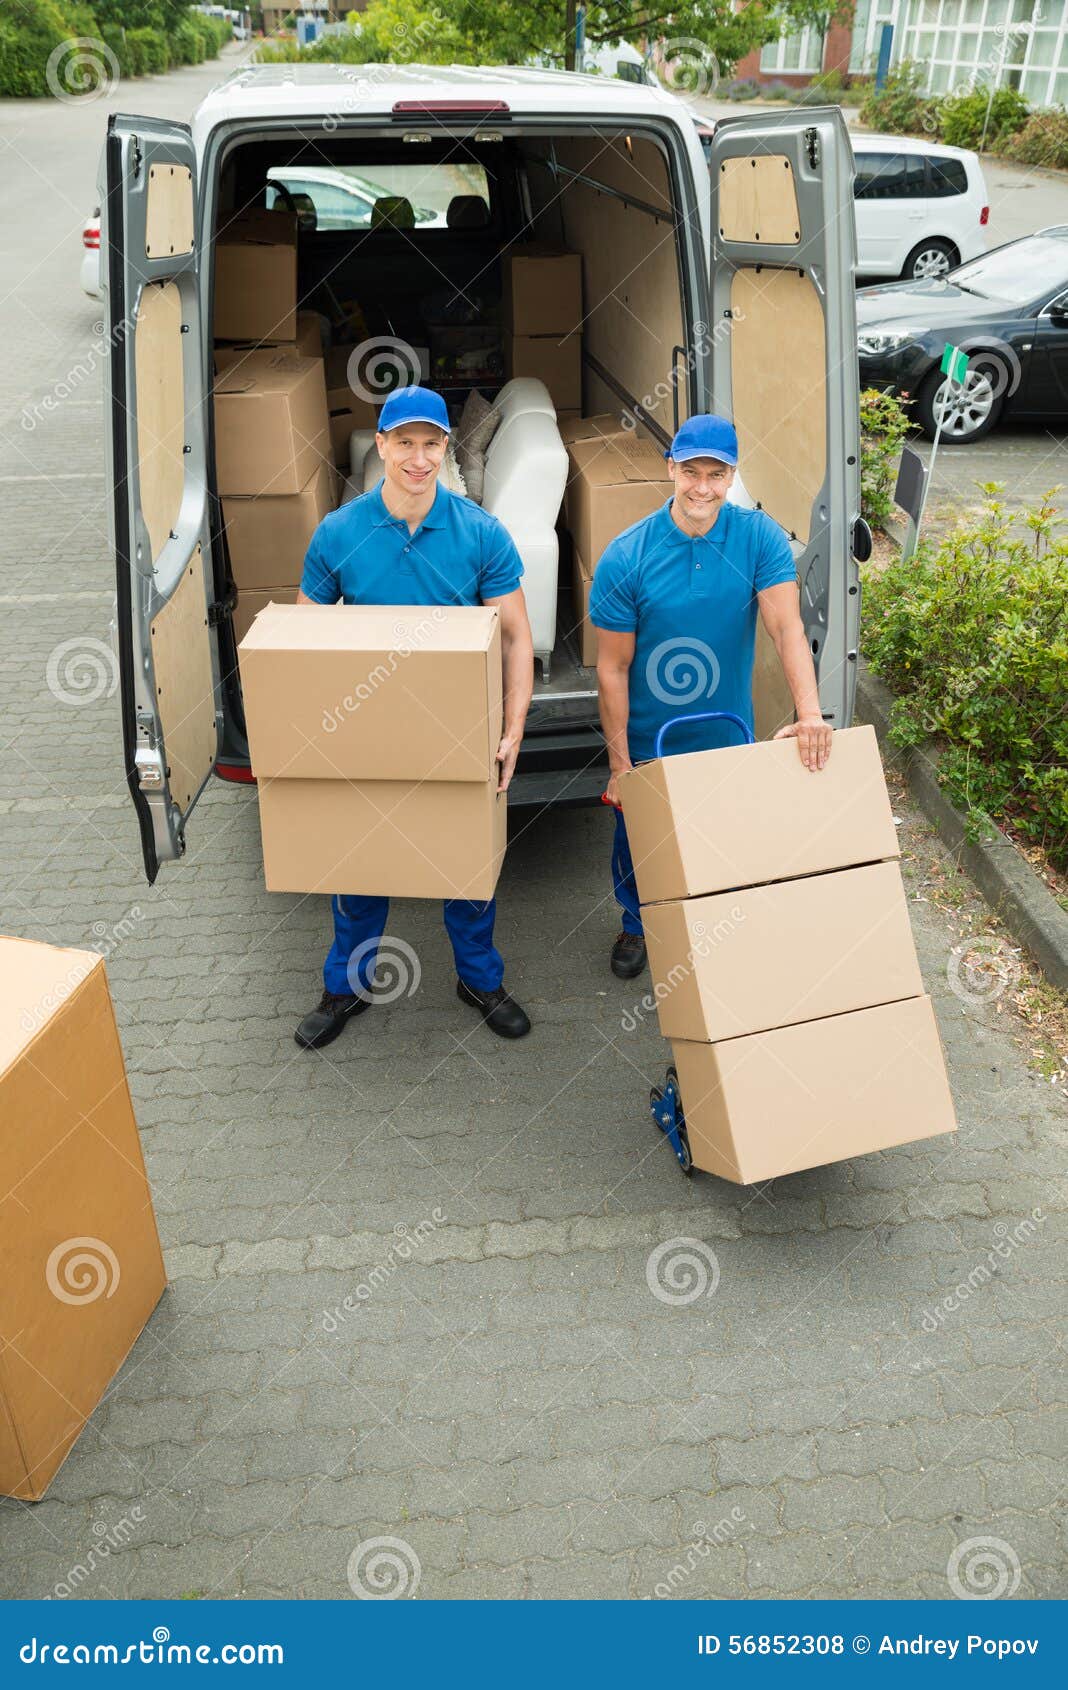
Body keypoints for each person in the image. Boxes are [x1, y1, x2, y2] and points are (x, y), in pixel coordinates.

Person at [292, 385, 534, 1047]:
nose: (419, 457)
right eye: (406, 442)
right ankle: (345, 987)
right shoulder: (339, 533)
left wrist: (512, 731)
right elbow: (304, 644)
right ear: (383, 445)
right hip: (370, 730)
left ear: (446, 448)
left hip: (459, 729)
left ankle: (478, 978)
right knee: (361, 867)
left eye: (432, 443)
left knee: (466, 867)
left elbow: (517, 637)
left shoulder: (480, 533)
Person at [589, 413, 833, 980]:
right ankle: (634, 923)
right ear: (670, 468)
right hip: (652, 739)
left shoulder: (758, 538)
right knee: (639, 844)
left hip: (728, 732)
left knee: (724, 842)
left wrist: (811, 713)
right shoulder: (628, 555)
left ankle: (713, 926)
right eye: (691, 471)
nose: (702, 487)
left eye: (716, 474)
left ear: (731, 476)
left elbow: (786, 628)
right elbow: (612, 668)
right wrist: (620, 763)